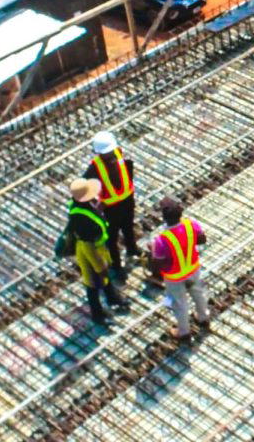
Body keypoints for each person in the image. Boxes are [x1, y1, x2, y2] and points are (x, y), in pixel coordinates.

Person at [67, 178, 128, 325]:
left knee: (104, 277)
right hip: (89, 250)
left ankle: (112, 297)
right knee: (93, 282)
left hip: (98, 247)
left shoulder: (84, 205)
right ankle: (97, 314)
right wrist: (99, 266)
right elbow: (88, 243)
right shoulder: (80, 218)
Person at [148, 196, 209, 342]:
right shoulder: (191, 225)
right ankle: (203, 317)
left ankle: (183, 332)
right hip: (193, 269)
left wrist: (152, 251)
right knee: (198, 293)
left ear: (164, 217)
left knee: (179, 303)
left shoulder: (161, 240)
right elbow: (202, 239)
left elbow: (158, 264)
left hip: (174, 277)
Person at [84, 131, 138, 278]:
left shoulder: (118, 153)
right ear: (100, 154)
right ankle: (116, 265)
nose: (111, 156)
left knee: (128, 228)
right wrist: (95, 202)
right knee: (112, 239)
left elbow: (127, 170)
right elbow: (85, 187)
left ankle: (132, 249)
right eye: (107, 154)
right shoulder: (95, 167)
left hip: (127, 202)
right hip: (111, 209)